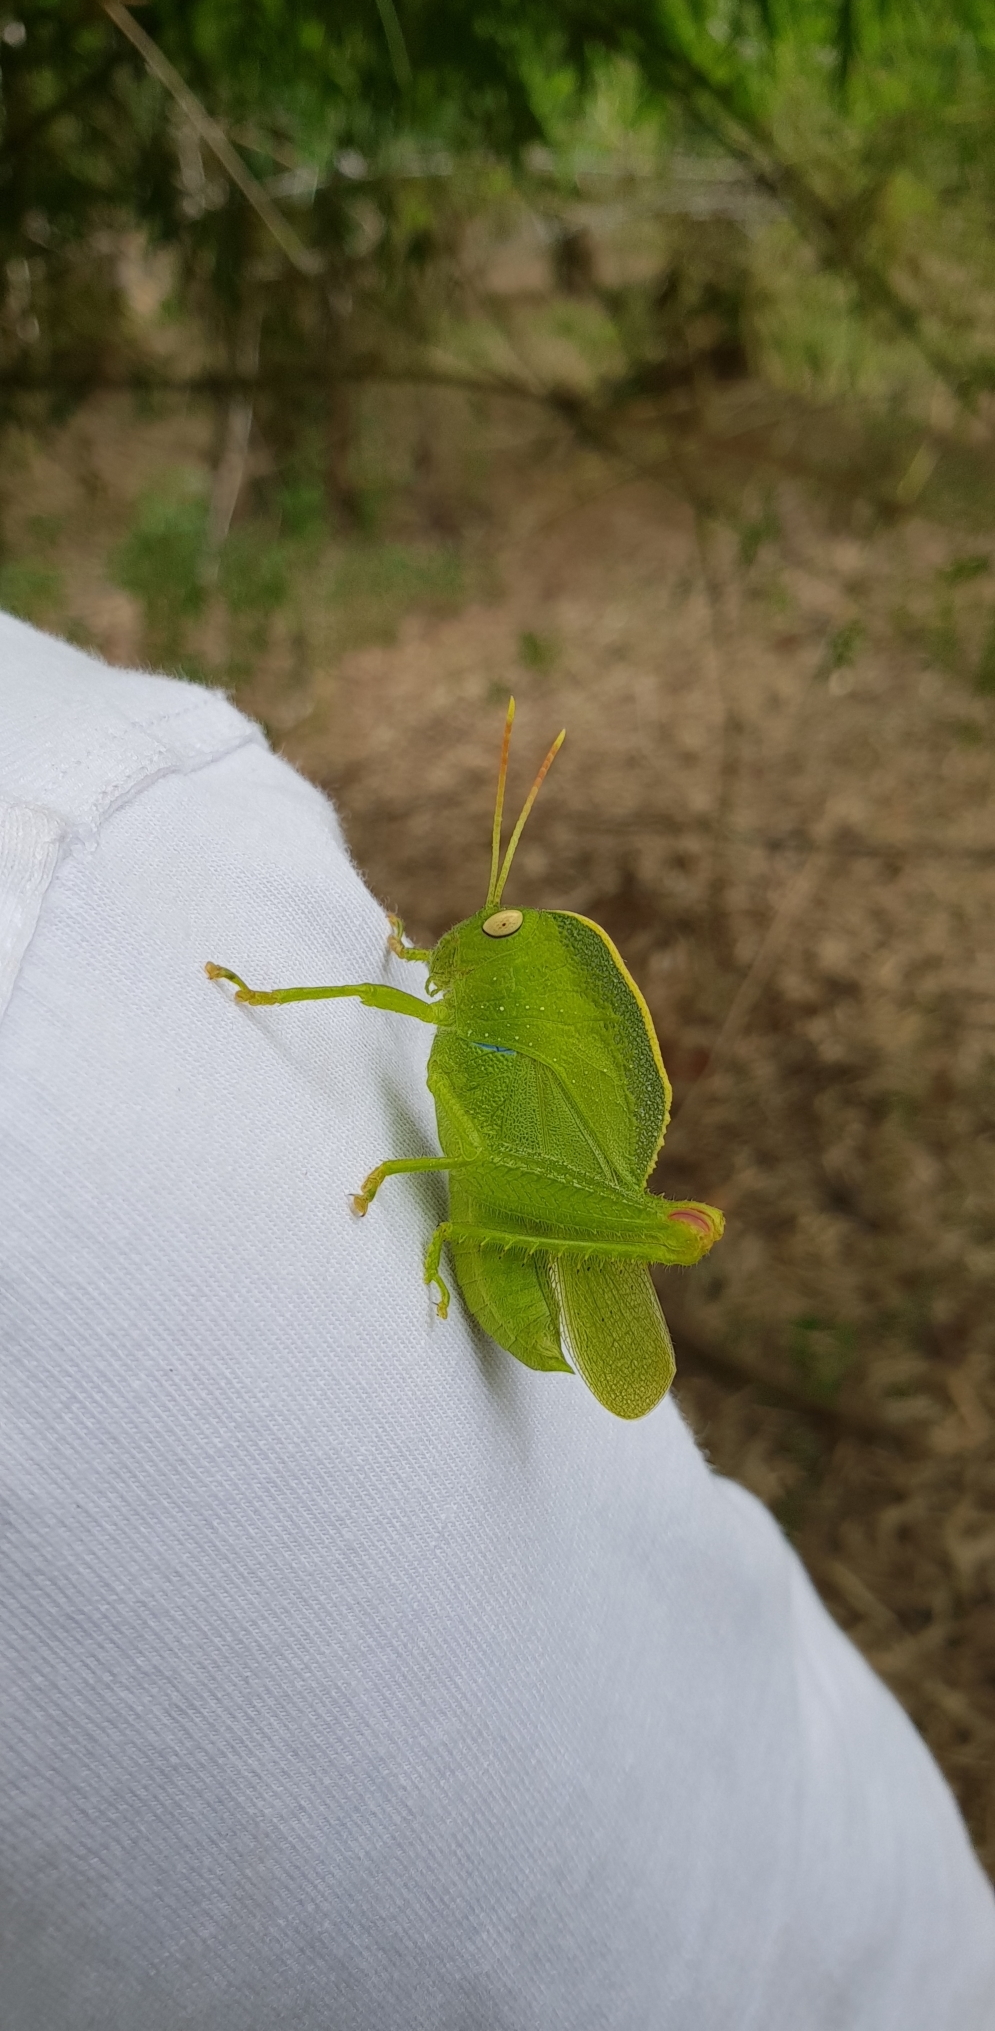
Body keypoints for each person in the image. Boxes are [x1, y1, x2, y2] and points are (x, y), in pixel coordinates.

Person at [2, 611, 993, 2031]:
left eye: (496, 930)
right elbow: (405, 984)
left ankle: (470, 1208)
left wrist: (404, 1164)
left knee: (462, 1138)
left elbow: (392, 1004)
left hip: (511, 1240)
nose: (475, 928)